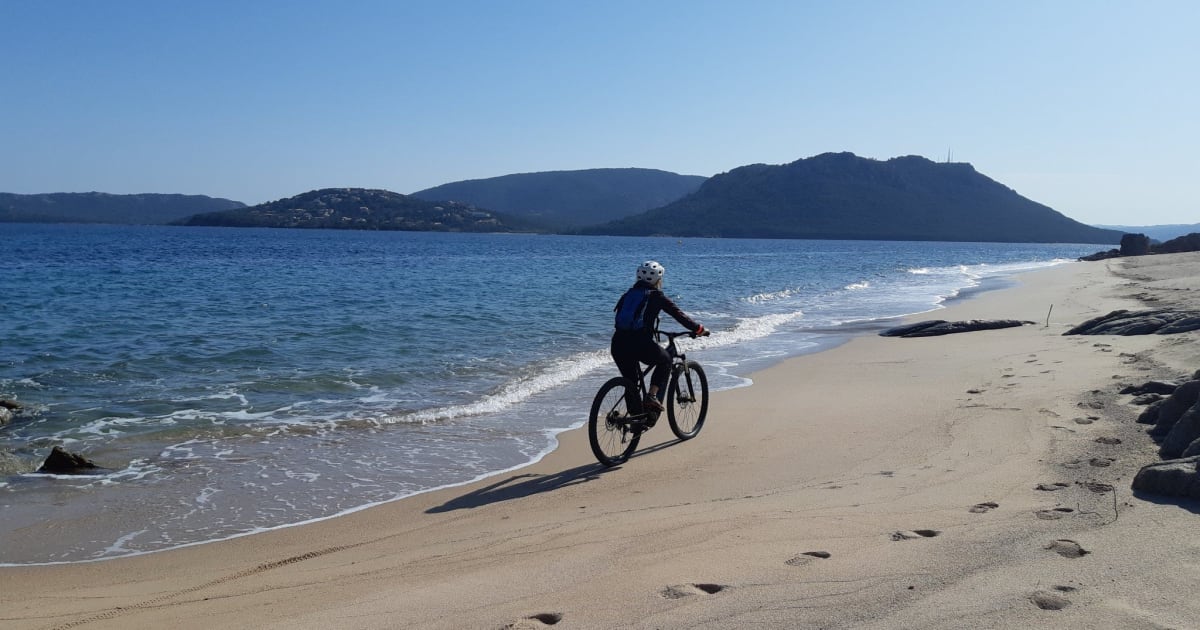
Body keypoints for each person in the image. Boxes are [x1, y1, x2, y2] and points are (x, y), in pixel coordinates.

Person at [610, 260, 706, 417]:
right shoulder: (656, 296)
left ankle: (636, 421)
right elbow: (678, 315)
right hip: (639, 343)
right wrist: (698, 329)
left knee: (631, 382)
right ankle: (652, 396)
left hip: (618, 343)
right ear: (658, 280)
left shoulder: (628, 294)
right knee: (666, 359)